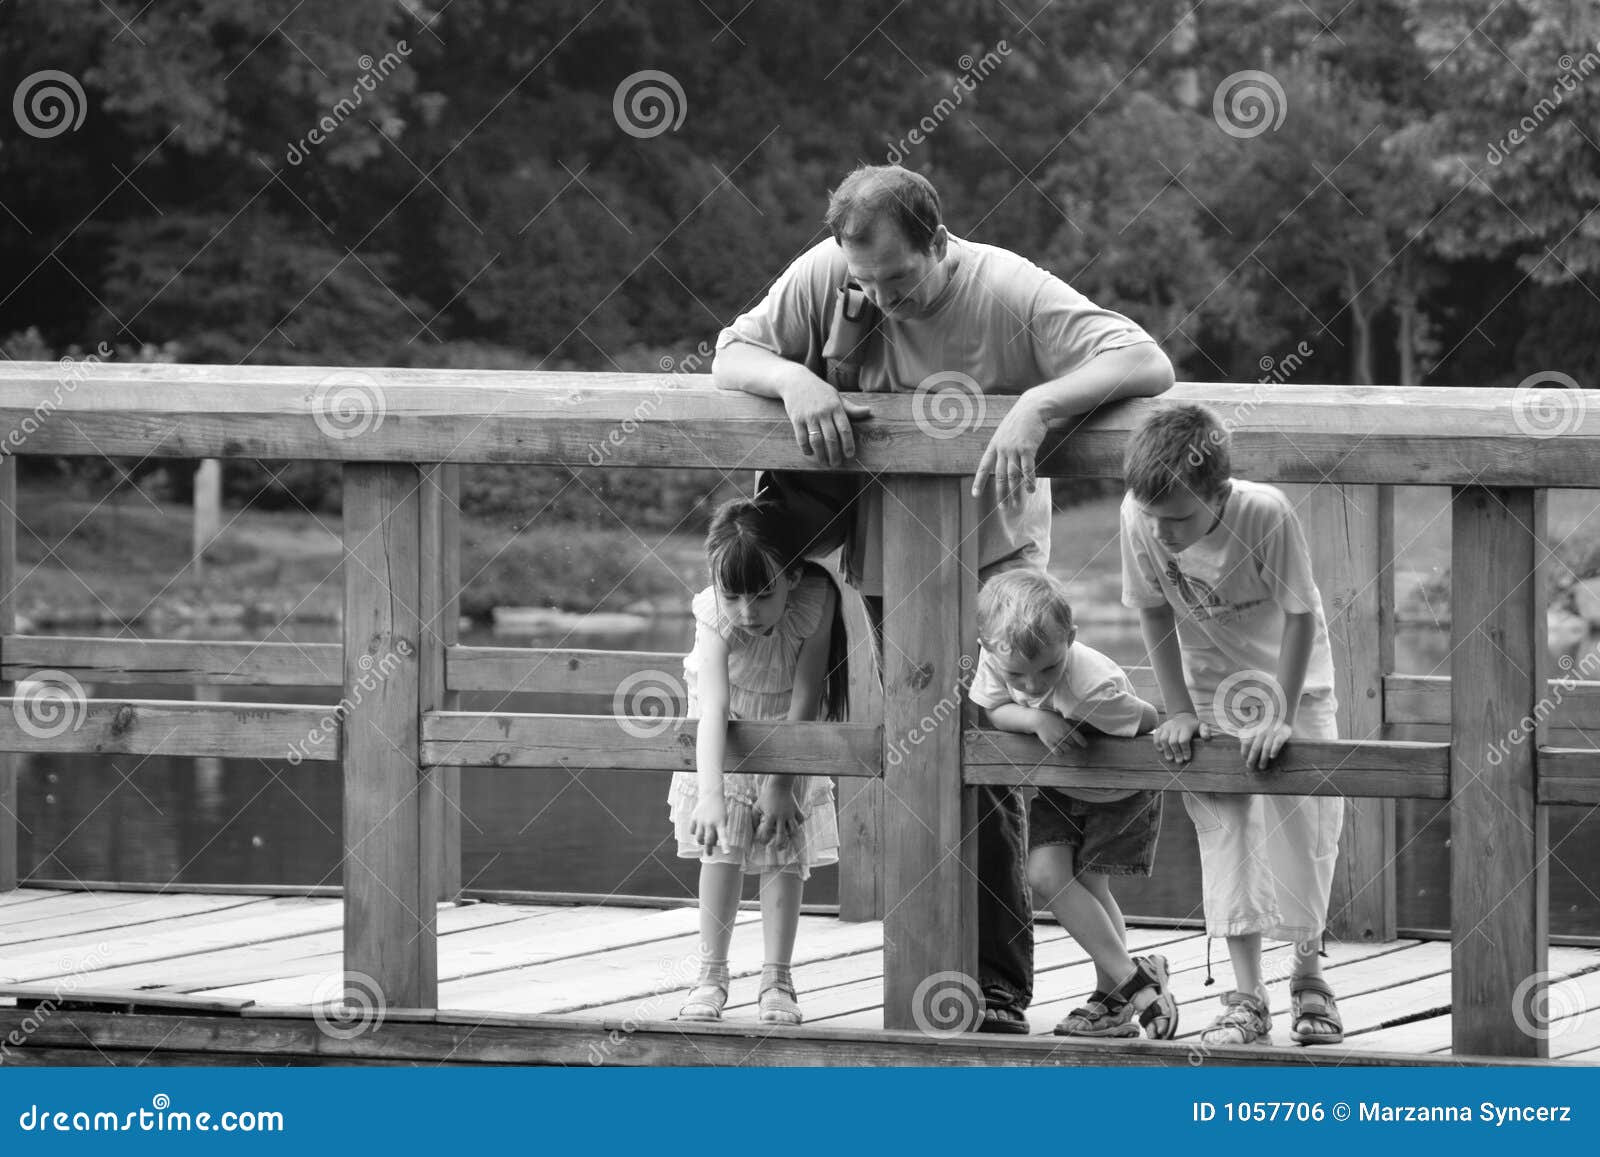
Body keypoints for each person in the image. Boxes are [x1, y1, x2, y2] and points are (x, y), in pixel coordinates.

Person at [713, 163, 1174, 1032]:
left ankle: (998, 987)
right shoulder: (827, 273)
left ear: (939, 240)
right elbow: (729, 352)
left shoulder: (1004, 286)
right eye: (865, 281)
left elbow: (1145, 358)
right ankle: (956, 973)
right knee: (930, 757)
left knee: (989, 767)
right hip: (895, 559)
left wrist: (1038, 403)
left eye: (899, 277)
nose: (881, 298)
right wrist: (794, 380)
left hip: (995, 558)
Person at [1120, 403, 1346, 1046]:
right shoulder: (1141, 514)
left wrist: (1279, 711)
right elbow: (1153, 614)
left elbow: (1300, 615)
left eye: (1180, 519)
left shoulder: (1264, 513)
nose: (1164, 533)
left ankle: (1308, 979)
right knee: (1227, 831)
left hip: (1294, 684)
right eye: (1155, 518)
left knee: (1305, 830)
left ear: (1218, 493)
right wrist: (1180, 710)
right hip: (1212, 687)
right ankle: (1246, 998)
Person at [968, 569, 1178, 1039]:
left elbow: (1145, 720)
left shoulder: (1094, 688)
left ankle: (1111, 999)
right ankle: (1132, 979)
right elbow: (994, 708)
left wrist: (1089, 724)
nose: (1034, 683)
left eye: (1047, 668)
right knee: (1044, 873)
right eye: (1018, 673)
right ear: (987, 646)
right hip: (1061, 788)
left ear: (1071, 639)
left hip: (1117, 795)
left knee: (1092, 887)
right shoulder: (996, 657)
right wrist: (1035, 718)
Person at [669, 496, 845, 1026]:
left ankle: (777, 979)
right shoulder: (713, 615)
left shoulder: (815, 599)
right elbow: (714, 708)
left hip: (790, 739)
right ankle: (711, 976)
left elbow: (806, 697)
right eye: (735, 595)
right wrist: (713, 794)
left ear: (792, 576)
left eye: (764, 594)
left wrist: (781, 783)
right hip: (725, 743)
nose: (748, 611)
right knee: (720, 851)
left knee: (782, 852)